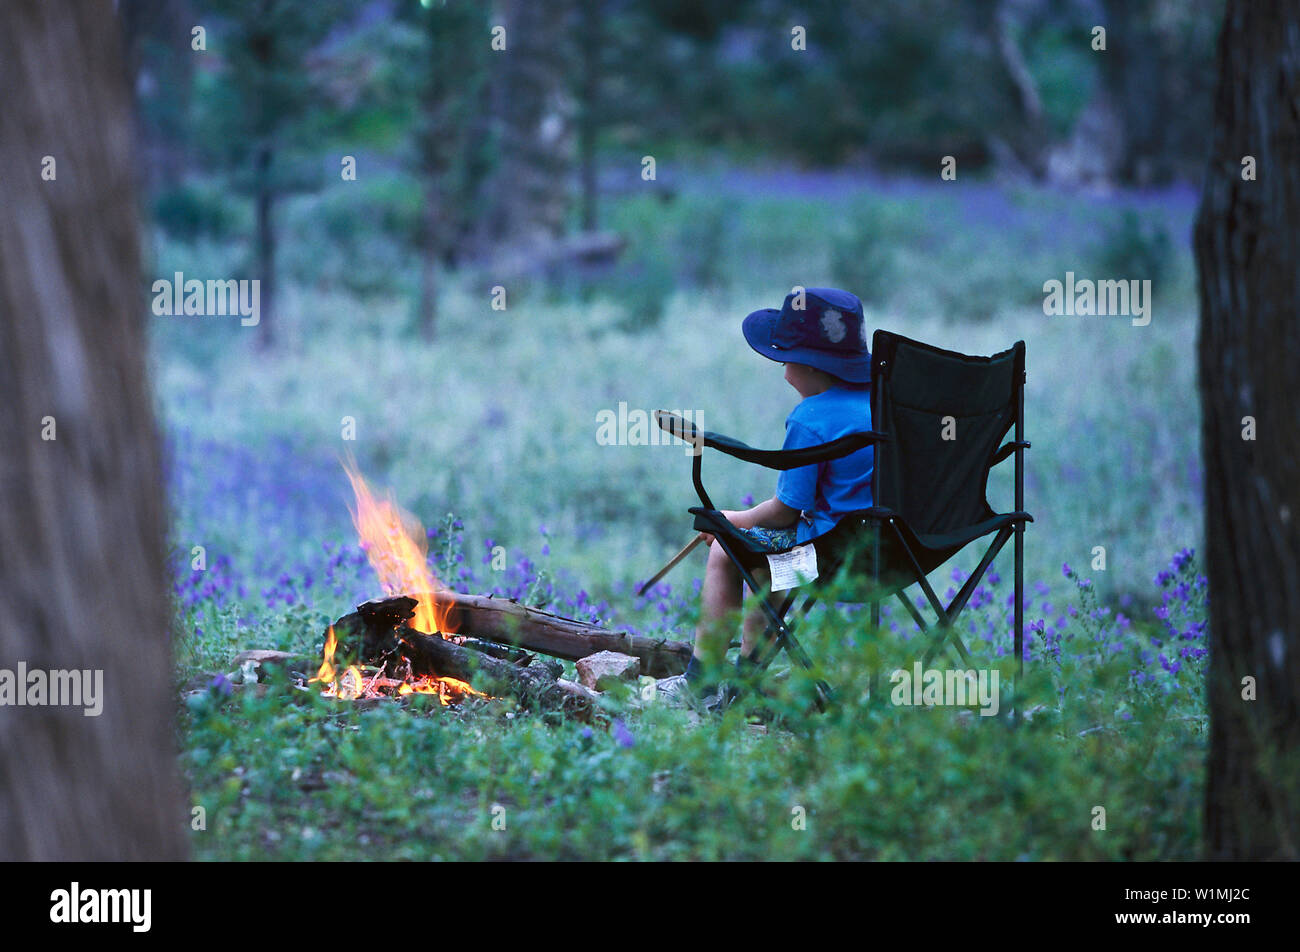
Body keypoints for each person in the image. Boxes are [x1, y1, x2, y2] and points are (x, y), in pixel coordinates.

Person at [658, 287, 875, 709]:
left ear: (812, 365)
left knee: (727, 552)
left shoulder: (810, 420)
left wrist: (729, 522)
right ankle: (747, 681)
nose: (782, 370)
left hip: (826, 561)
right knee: (766, 562)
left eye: (786, 358)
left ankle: (700, 685)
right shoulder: (883, 406)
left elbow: (783, 511)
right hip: (890, 556)